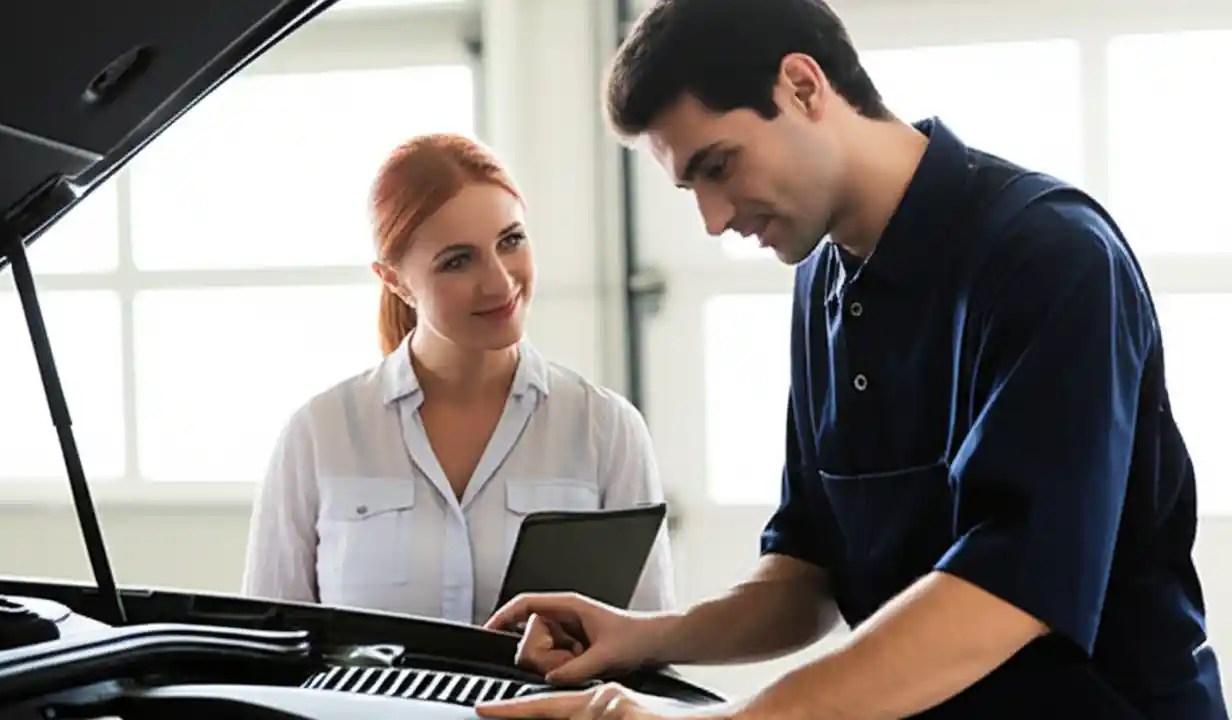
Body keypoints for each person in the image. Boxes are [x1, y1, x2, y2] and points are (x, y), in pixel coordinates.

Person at [472, 1, 1228, 718]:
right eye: (690, 187)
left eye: (719, 166)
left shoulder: (1052, 257)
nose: (712, 219)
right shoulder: (821, 279)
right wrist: (645, 637)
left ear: (803, 86)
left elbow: (1008, 592)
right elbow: (810, 570)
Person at [241, 132, 677, 626]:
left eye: (510, 241)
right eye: (457, 261)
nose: (500, 282)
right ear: (394, 280)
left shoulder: (607, 429)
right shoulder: (319, 434)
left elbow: (647, 643)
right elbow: (265, 645)